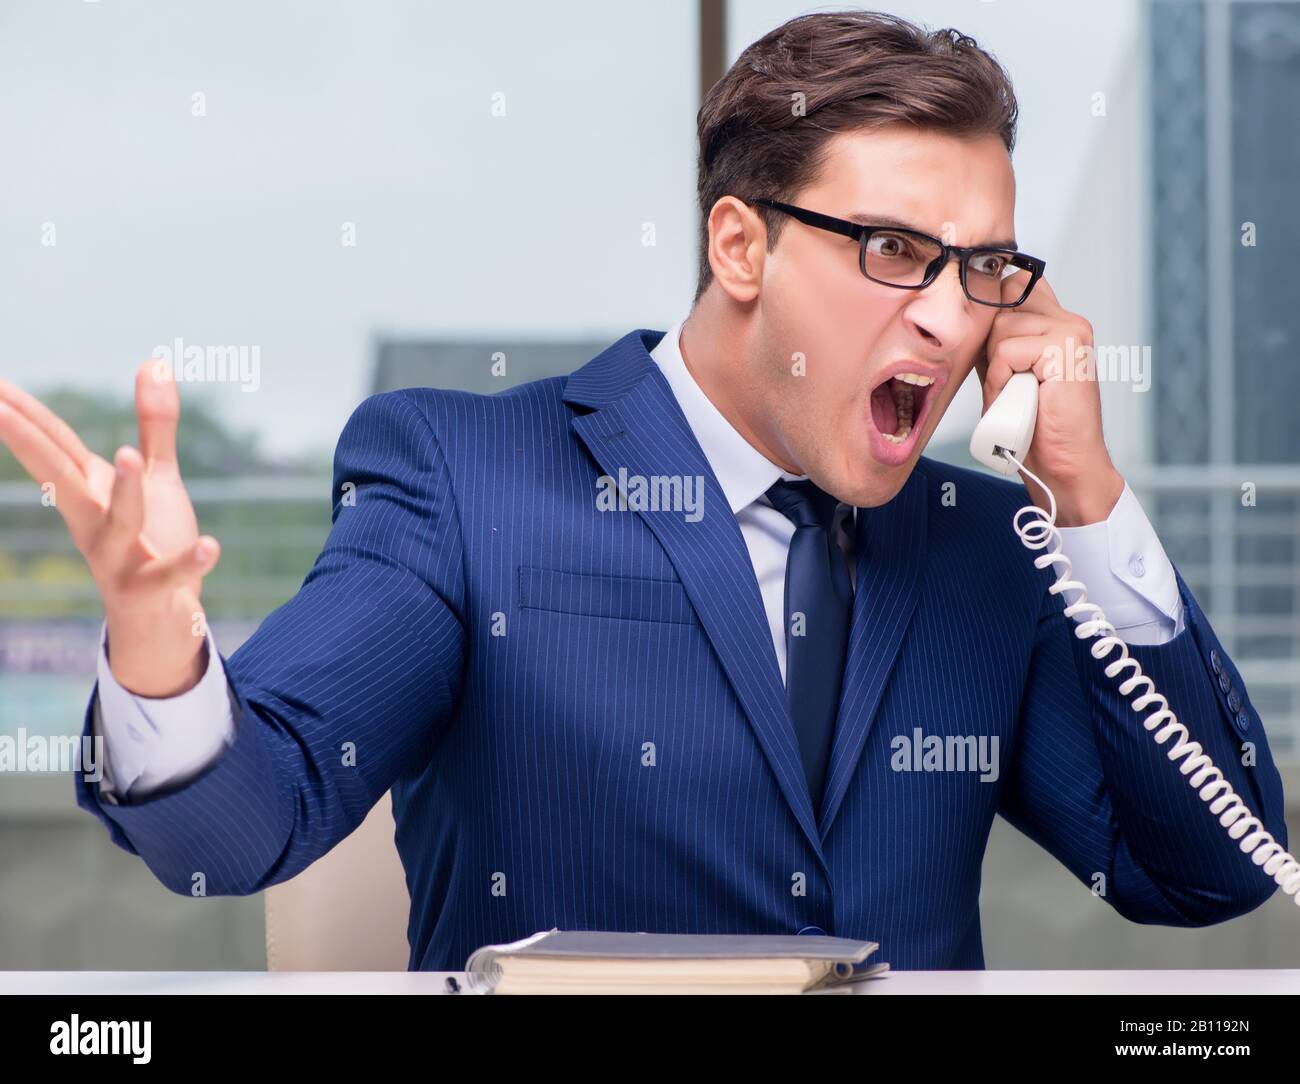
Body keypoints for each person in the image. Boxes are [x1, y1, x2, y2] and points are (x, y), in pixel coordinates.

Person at [0, 10, 1285, 971]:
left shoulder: (988, 547)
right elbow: (238, 829)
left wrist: (1092, 500)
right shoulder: (463, 478)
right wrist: (161, 648)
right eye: (898, 252)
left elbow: (1204, 874)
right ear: (740, 245)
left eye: (989, 268)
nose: (953, 320)